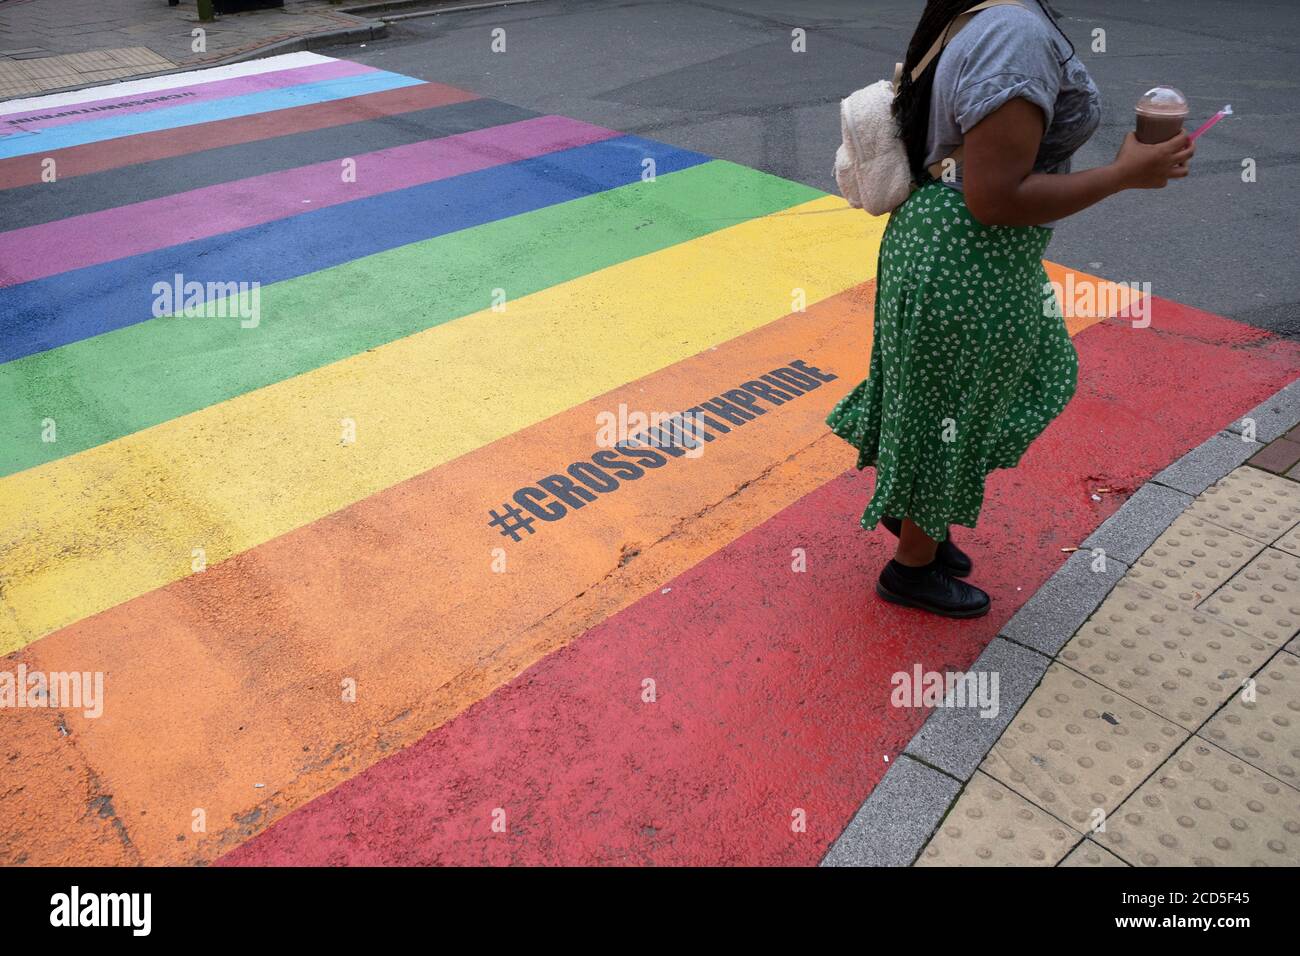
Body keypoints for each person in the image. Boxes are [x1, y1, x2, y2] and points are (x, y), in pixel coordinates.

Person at [827, 0, 1194, 618]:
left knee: (942, 395)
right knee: (958, 405)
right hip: (968, 258)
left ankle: (917, 511)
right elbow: (995, 198)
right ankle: (911, 565)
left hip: (942, 244)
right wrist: (1125, 173)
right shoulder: (1015, 34)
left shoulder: (984, 9)